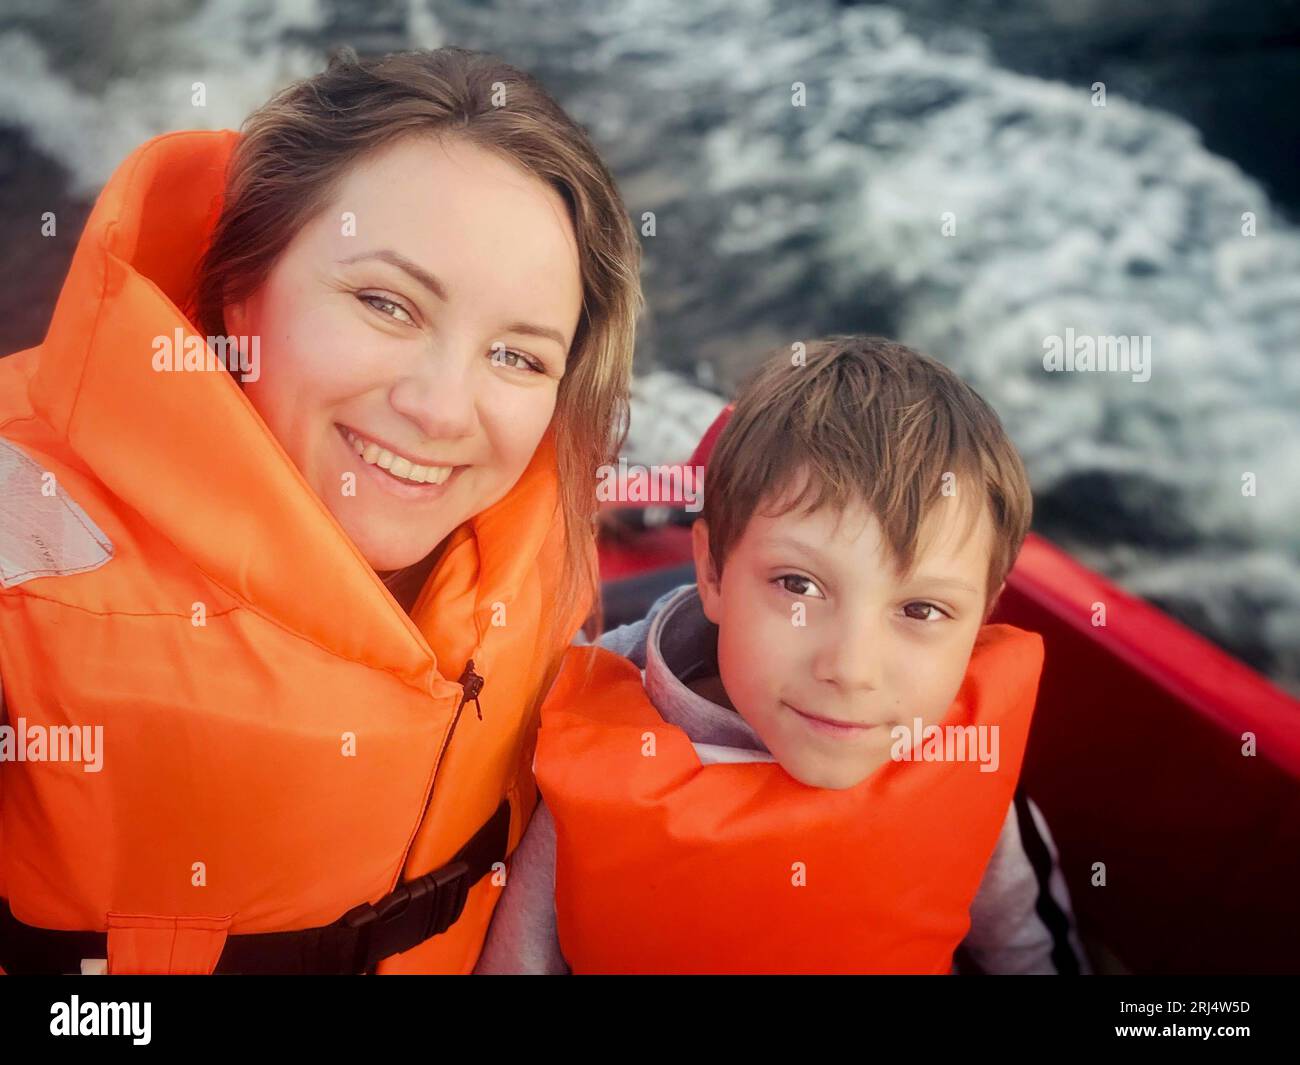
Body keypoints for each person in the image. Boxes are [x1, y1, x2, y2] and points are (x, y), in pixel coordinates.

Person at [0, 46, 641, 974]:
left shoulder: (538, 544)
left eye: (517, 356)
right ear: (240, 289)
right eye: (387, 303)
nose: (441, 409)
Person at [476, 336, 1088, 974]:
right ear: (712, 571)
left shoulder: (969, 756)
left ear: (984, 613)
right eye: (798, 585)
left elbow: (1028, 948)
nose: (851, 670)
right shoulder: (589, 754)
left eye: (921, 610)